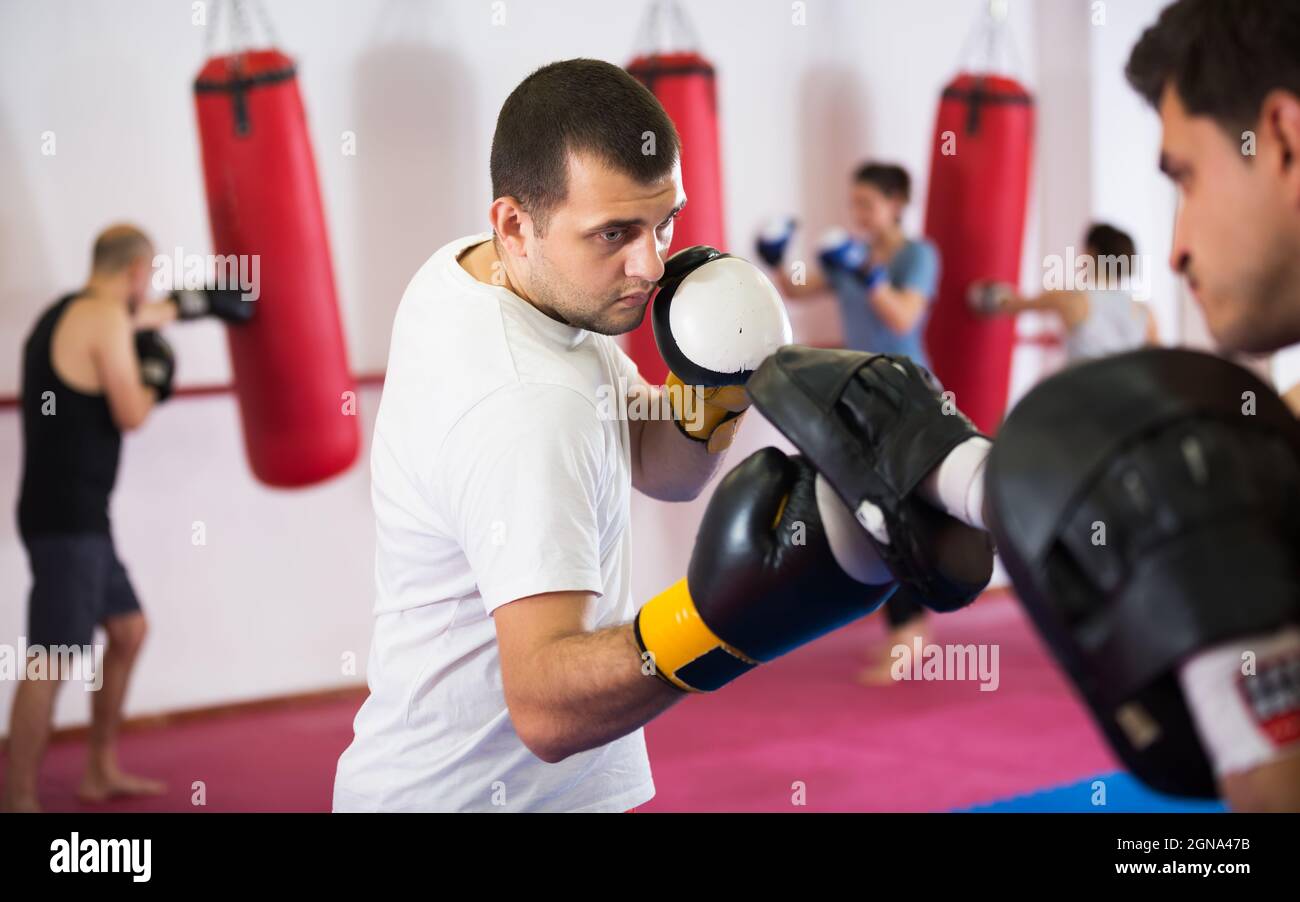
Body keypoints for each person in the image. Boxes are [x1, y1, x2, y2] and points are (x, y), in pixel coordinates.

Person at [331, 59, 896, 813]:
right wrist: (719, 621)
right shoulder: (527, 403)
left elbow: (660, 466)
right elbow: (545, 707)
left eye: (665, 221)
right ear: (513, 223)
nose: (653, 264)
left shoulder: (481, 274)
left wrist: (712, 376)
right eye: (616, 234)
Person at [3, 225, 175, 812]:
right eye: (148, 277)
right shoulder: (104, 317)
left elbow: (139, 318)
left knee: (128, 631)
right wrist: (156, 379)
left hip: (74, 513)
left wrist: (182, 308)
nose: (146, 289)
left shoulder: (64, 313)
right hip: (68, 517)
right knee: (51, 655)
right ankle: (19, 797)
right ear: (133, 272)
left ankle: (99, 770)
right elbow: (131, 413)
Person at [755, 163, 942, 683]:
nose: (858, 214)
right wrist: (778, 260)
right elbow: (797, 289)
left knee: (893, 509)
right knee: (866, 508)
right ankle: (904, 630)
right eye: (854, 203)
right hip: (859, 390)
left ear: (897, 203)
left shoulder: (916, 255)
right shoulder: (848, 254)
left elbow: (903, 316)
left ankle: (912, 633)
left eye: (868, 204)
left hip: (908, 395)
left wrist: (867, 272)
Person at [969, 223, 1160, 363]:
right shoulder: (1145, 313)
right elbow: (1152, 364)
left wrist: (980, 293)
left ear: (1092, 254)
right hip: (1123, 407)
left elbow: (1010, 304)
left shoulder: (1072, 298)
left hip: (1082, 404)